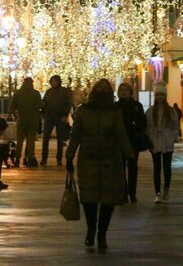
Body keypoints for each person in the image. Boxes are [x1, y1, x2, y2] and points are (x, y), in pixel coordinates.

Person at [65, 79, 134, 251]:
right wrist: (69, 156)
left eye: (105, 89)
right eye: (100, 88)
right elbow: (76, 135)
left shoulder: (114, 111)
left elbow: (121, 134)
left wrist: (130, 154)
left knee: (108, 200)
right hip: (89, 159)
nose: (102, 91)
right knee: (89, 199)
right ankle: (91, 229)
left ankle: (102, 233)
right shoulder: (83, 111)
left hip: (110, 159)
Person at [145, 82, 181, 203]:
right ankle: (157, 192)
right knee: (156, 168)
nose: (160, 97)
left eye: (162, 95)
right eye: (157, 95)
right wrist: (149, 138)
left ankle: (166, 189)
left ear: (165, 96)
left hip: (167, 141)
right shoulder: (150, 111)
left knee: (167, 168)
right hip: (155, 141)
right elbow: (147, 126)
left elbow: (176, 126)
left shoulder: (171, 111)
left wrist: (173, 137)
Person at [116, 82, 148, 203]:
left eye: (126, 90)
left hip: (133, 140)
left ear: (130, 92)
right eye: (121, 90)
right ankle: (123, 192)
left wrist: (138, 131)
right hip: (120, 140)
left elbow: (142, 121)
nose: (124, 92)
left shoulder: (137, 105)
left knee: (133, 166)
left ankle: (132, 192)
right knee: (121, 167)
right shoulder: (116, 106)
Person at [41, 75, 73, 165]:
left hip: (60, 117)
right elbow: (44, 103)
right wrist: (43, 112)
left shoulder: (64, 92)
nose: (53, 83)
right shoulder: (49, 92)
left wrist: (65, 115)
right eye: (52, 81)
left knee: (60, 139)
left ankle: (59, 158)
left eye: (55, 81)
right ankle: (44, 158)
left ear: (59, 82)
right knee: (46, 137)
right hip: (49, 116)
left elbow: (68, 104)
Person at [11, 77, 42, 166]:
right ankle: (30, 159)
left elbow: (13, 106)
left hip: (21, 120)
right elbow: (41, 105)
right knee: (31, 142)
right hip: (32, 120)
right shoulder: (36, 93)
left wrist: (16, 116)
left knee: (19, 141)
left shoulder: (17, 93)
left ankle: (17, 160)